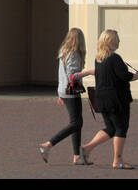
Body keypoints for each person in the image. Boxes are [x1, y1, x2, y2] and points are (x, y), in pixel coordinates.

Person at [81, 29, 138, 169]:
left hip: (102, 99)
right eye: (117, 39)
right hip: (116, 99)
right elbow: (126, 76)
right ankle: (118, 160)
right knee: (121, 128)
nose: (119, 42)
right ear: (112, 42)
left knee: (111, 128)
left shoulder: (98, 58)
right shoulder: (115, 58)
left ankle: (86, 149)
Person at [38, 28, 95, 166]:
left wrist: (59, 93)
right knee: (76, 123)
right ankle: (48, 145)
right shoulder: (74, 53)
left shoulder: (64, 51)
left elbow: (61, 74)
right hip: (71, 91)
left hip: (64, 90)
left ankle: (76, 156)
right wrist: (89, 72)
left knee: (77, 123)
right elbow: (72, 75)